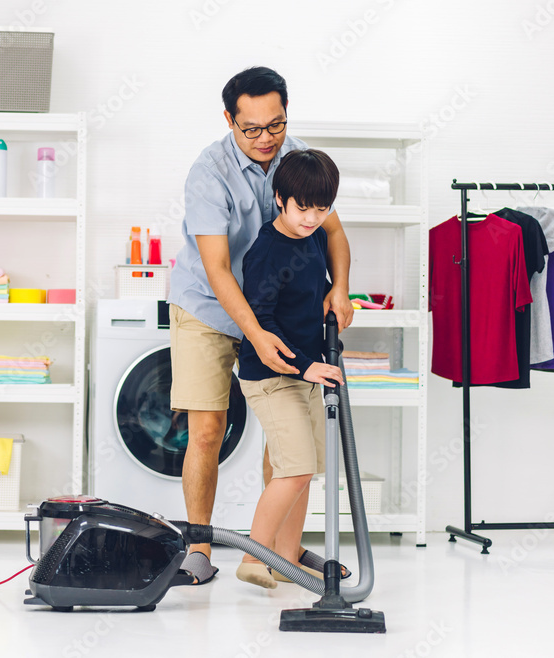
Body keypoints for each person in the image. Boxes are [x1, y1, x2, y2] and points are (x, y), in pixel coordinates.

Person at [167, 66, 353, 585]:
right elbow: (219, 269)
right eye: (252, 129)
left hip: (278, 313)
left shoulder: (296, 157)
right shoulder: (209, 173)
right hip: (208, 306)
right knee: (206, 432)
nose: (267, 138)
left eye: (276, 124)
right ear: (229, 120)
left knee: (288, 438)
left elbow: (334, 231)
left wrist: (339, 288)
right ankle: (199, 549)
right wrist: (256, 333)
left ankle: (277, 551)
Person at [234, 148, 343, 588]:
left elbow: (316, 285)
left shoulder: (313, 236)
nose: (312, 218)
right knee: (294, 467)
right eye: (303, 207)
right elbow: (263, 325)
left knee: (307, 469)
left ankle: (284, 558)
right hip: (271, 377)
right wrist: (306, 367)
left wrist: (337, 297)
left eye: (322, 209)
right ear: (279, 198)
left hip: (306, 372)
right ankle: (253, 558)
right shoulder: (266, 251)